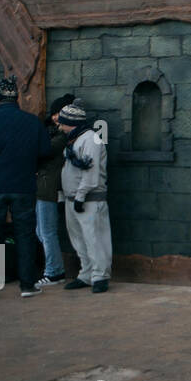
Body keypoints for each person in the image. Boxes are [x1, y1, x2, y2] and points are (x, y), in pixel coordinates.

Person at [0, 75, 52, 300]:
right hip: (24, 186)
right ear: (16, 99)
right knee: (24, 235)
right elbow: (45, 152)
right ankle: (27, 285)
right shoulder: (32, 122)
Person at [57, 100, 111, 294]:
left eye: (62, 122)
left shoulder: (91, 139)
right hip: (73, 199)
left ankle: (100, 277)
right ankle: (86, 274)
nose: (60, 126)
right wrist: (64, 196)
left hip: (89, 200)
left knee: (95, 239)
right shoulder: (74, 140)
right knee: (79, 240)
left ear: (71, 122)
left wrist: (80, 196)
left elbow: (91, 172)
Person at [33, 94, 75, 289]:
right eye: (55, 113)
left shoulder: (61, 136)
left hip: (49, 188)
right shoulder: (51, 132)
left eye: (61, 113)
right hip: (44, 187)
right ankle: (54, 269)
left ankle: (54, 271)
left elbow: (43, 151)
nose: (57, 117)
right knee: (41, 231)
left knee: (47, 231)